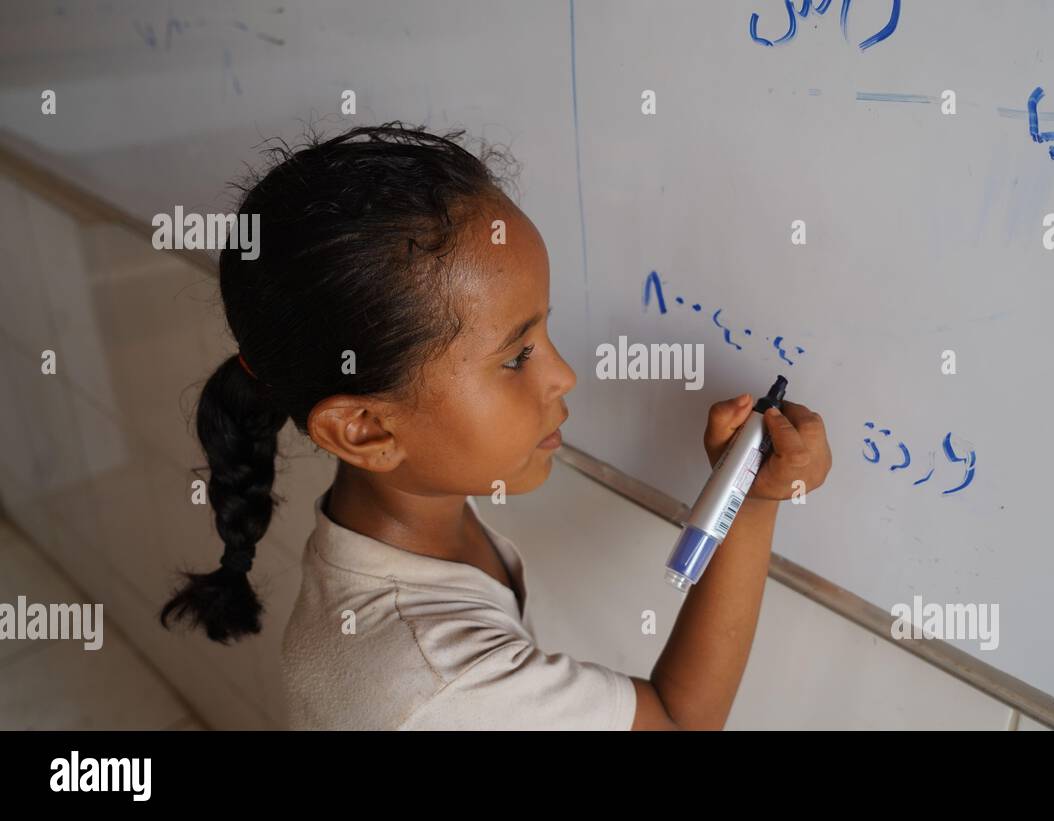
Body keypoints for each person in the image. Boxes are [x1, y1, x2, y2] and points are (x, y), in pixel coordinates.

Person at [158, 123, 832, 729]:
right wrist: (753, 499)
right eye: (517, 355)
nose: (564, 374)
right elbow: (679, 723)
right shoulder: (445, 681)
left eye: (544, 332)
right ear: (364, 429)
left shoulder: (387, 522)